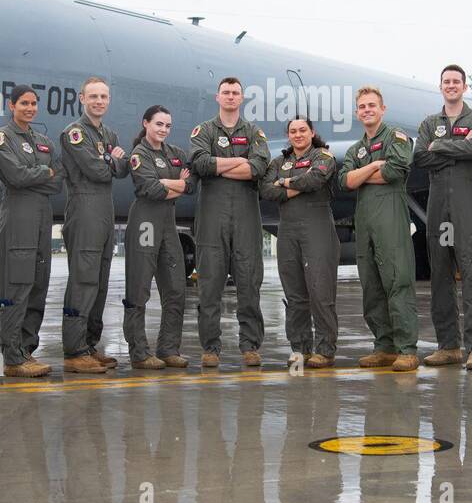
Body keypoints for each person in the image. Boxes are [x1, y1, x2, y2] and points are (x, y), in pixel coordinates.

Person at [415, 64, 472, 370]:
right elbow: (420, 155)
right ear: (440, 87)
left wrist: (441, 146)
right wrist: (458, 147)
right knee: (441, 275)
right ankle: (448, 345)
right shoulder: (429, 122)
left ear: (464, 87)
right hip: (439, 208)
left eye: (456, 82)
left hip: (469, 206)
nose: (451, 86)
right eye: (446, 82)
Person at [337, 86, 419, 372]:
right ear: (357, 112)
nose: (367, 110)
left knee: (398, 281)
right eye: (362, 106)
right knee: (371, 286)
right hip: (366, 221)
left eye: (372, 105)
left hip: (391, 218)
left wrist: (362, 174)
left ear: (382, 109)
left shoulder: (396, 138)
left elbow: (395, 171)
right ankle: (383, 346)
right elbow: (345, 181)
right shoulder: (354, 149)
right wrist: (374, 168)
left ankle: (406, 348)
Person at [189, 77, 269, 368]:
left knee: (250, 282)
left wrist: (219, 167)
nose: (231, 97)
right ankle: (210, 348)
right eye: (226, 92)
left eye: (236, 93)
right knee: (210, 284)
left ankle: (250, 346)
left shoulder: (254, 132)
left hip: (246, 216)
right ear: (217, 97)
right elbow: (199, 162)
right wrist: (240, 163)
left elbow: (259, 167)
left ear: (242, 98)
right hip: (213, 216)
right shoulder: (204, 130)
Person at [0, 85, 63, 379]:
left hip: (43, 216)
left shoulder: (43, 141)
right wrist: (44, 174)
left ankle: (27, 349)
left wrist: (39, 177)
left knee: (38, 285)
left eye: (33, 103)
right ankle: (12, 356)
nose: (30, 108)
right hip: (19, 216)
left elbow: (57, 184)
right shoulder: (1, 139)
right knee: (16, 285)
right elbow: (16, 177)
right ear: (11, 106)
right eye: (24, 103)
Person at [58, 76, 129, 374]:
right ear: (82, 99)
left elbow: (123, 169)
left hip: (104, 210)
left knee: (99, 282)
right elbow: (98, 171)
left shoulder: (108, 133)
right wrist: (111, 161)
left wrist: (112, 162)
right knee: (83, 280)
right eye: (93, 96)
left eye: (104, 97)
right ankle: (74, 351)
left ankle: (89, 345)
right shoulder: (74, 133)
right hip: (84, 207)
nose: (99, 101)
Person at [259, 117, 340, 368]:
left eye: (302, 130)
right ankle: (299, 349)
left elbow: (315, 179)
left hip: (317, 229)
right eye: (293, 131)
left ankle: (325, 350)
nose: (297, 135)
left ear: (312, 132)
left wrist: (284, 183)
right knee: (294, 295)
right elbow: (265, 190)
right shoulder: (278, 161)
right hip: (288, 231)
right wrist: (296, 185)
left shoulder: (324, 157)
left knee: (320, 292)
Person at [124, 105, 197, 369]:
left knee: (176, 288)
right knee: (139, 288)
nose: (163, 130)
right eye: (158, 124)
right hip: (145, 222)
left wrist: (168, 184)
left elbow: (191, 185)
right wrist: (174, 184)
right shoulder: (138, 154)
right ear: (146, 124)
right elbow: (149, 188)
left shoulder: (175, 154)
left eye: (167, 126)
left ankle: (168, 349)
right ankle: (140, 352)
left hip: (168, 223)